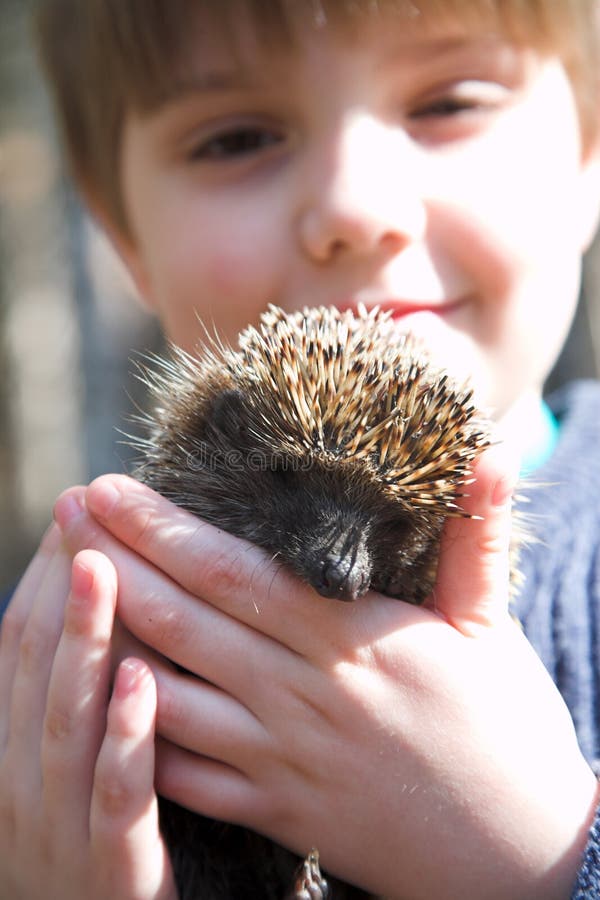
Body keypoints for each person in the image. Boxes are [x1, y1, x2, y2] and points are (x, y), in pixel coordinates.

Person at [1, 1, 600, 897]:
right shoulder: (46, 648)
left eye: (449, 102)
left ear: (591, 160)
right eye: (236, 138)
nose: (354, 210)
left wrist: (552, 857)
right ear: (120, 233)